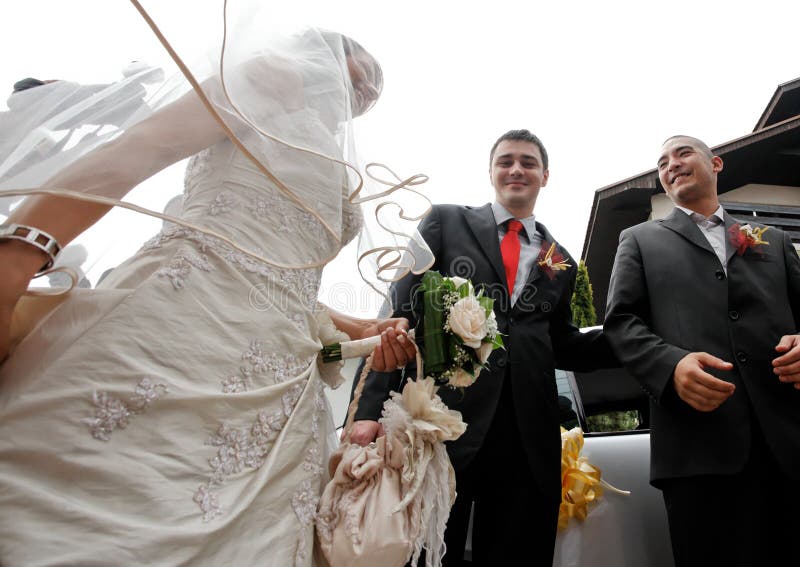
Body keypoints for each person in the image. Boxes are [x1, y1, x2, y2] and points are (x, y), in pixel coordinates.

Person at [0, 22, 420, 566]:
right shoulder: (260, 85)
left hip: (281, 375)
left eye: (370, 93)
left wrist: (359, 328)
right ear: (316, 55)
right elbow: (136, 152)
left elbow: (281, 280)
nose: (359, 92)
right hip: (179, 314)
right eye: (356, 72)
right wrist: (20, 254)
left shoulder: (340, 167)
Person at [348, 129, 618, 565]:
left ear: (544, 176)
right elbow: (396, 318)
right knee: (426, 553)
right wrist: (366, 414)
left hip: (528, 437)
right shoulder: (443, 221)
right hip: (441, 426)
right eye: (506, 160)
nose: (517, 169)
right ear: (491, 172)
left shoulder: (561, 259)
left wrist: (628, 335)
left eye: (528, 162)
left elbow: (562, 343)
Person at [604, 135, 800, 567]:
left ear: (716, 163)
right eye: (662, 162)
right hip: (698, 451)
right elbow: (621, 323)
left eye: (682, 153)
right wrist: (670, 366)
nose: (671, 164)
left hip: (787, 445)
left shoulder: (774, 240)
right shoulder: (638, 240)